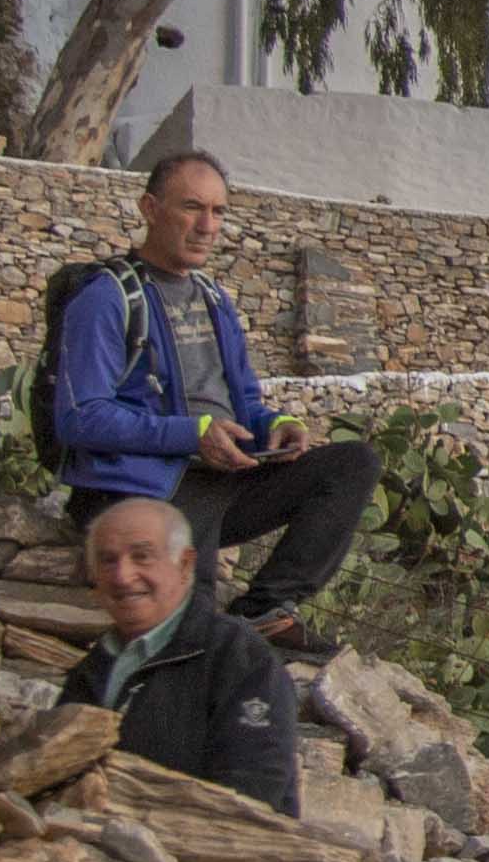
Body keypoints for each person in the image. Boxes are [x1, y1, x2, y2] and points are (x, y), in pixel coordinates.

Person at [50, 149, 379, 646]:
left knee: (352, 464)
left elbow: (244, 401)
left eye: (218, 211)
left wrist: (274, 426)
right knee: (192, 633)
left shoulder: (212, 298)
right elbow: (80, 417)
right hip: (146, 488)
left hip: (221, 476)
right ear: (149, 209)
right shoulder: (106, 298)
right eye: (191, 208)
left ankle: (265, 607)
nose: (208, 225)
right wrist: (192, 435)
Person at [63, 495, 301, 813]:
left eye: (142, 556)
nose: (122, 575)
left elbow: (251, 796)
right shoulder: (91, 672)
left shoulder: (240, 660)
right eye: (108, 560)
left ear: (185, 565)